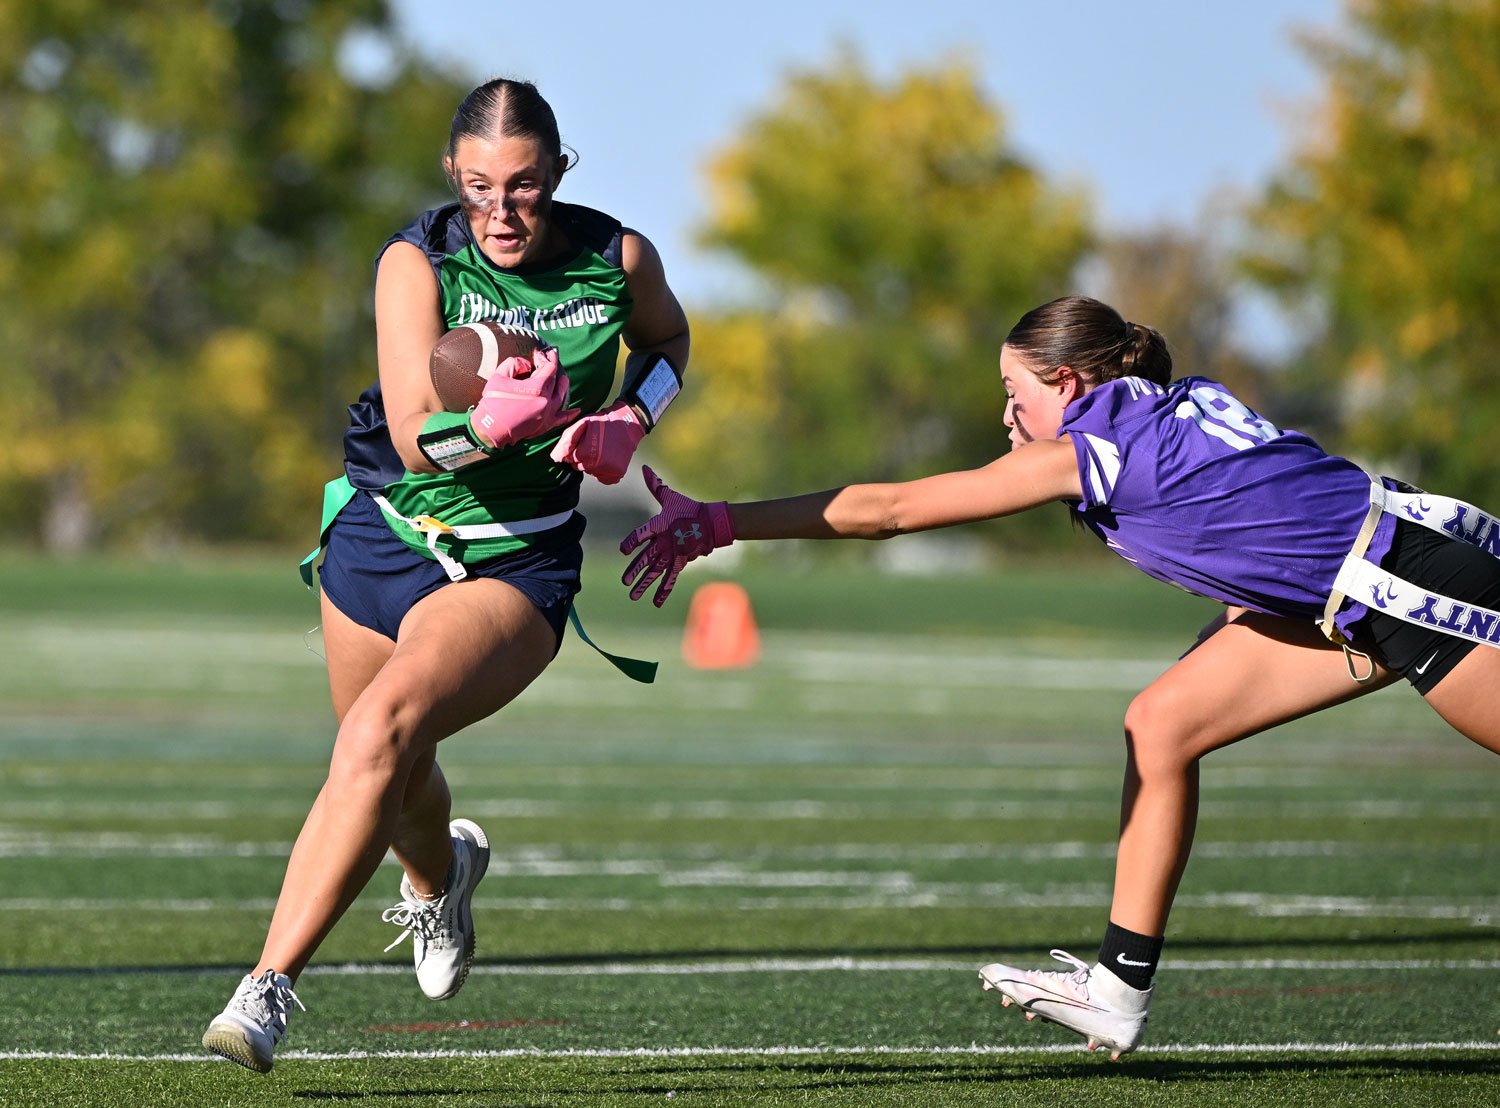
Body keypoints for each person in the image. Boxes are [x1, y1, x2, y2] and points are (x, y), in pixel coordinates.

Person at [617, 295, 1500, 1058]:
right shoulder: (1168, 401)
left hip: (1405, 581)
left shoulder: (1092, 448)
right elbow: (1257, 510)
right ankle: (1118, 987)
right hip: (1376, 568)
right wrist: (1238, 619)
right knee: (1164, 721)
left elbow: (890, 510)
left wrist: (721, 521)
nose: (1007, 416)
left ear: (1068, 385)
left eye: (1015, 394)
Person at [201, 77, 690, 1074]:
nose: (502, 212)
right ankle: (442, 876)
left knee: (382, 730)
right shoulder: (415, 259)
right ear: (451, 178)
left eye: (522, 187)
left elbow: (671, 344)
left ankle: (268, 986)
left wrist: (634, 415)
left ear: (558, 172)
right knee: (390, 766)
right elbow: (420, 446)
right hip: (384, 533)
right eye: (479, 187)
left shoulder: (615, 256)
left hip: (514, 558)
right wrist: (485, 426)